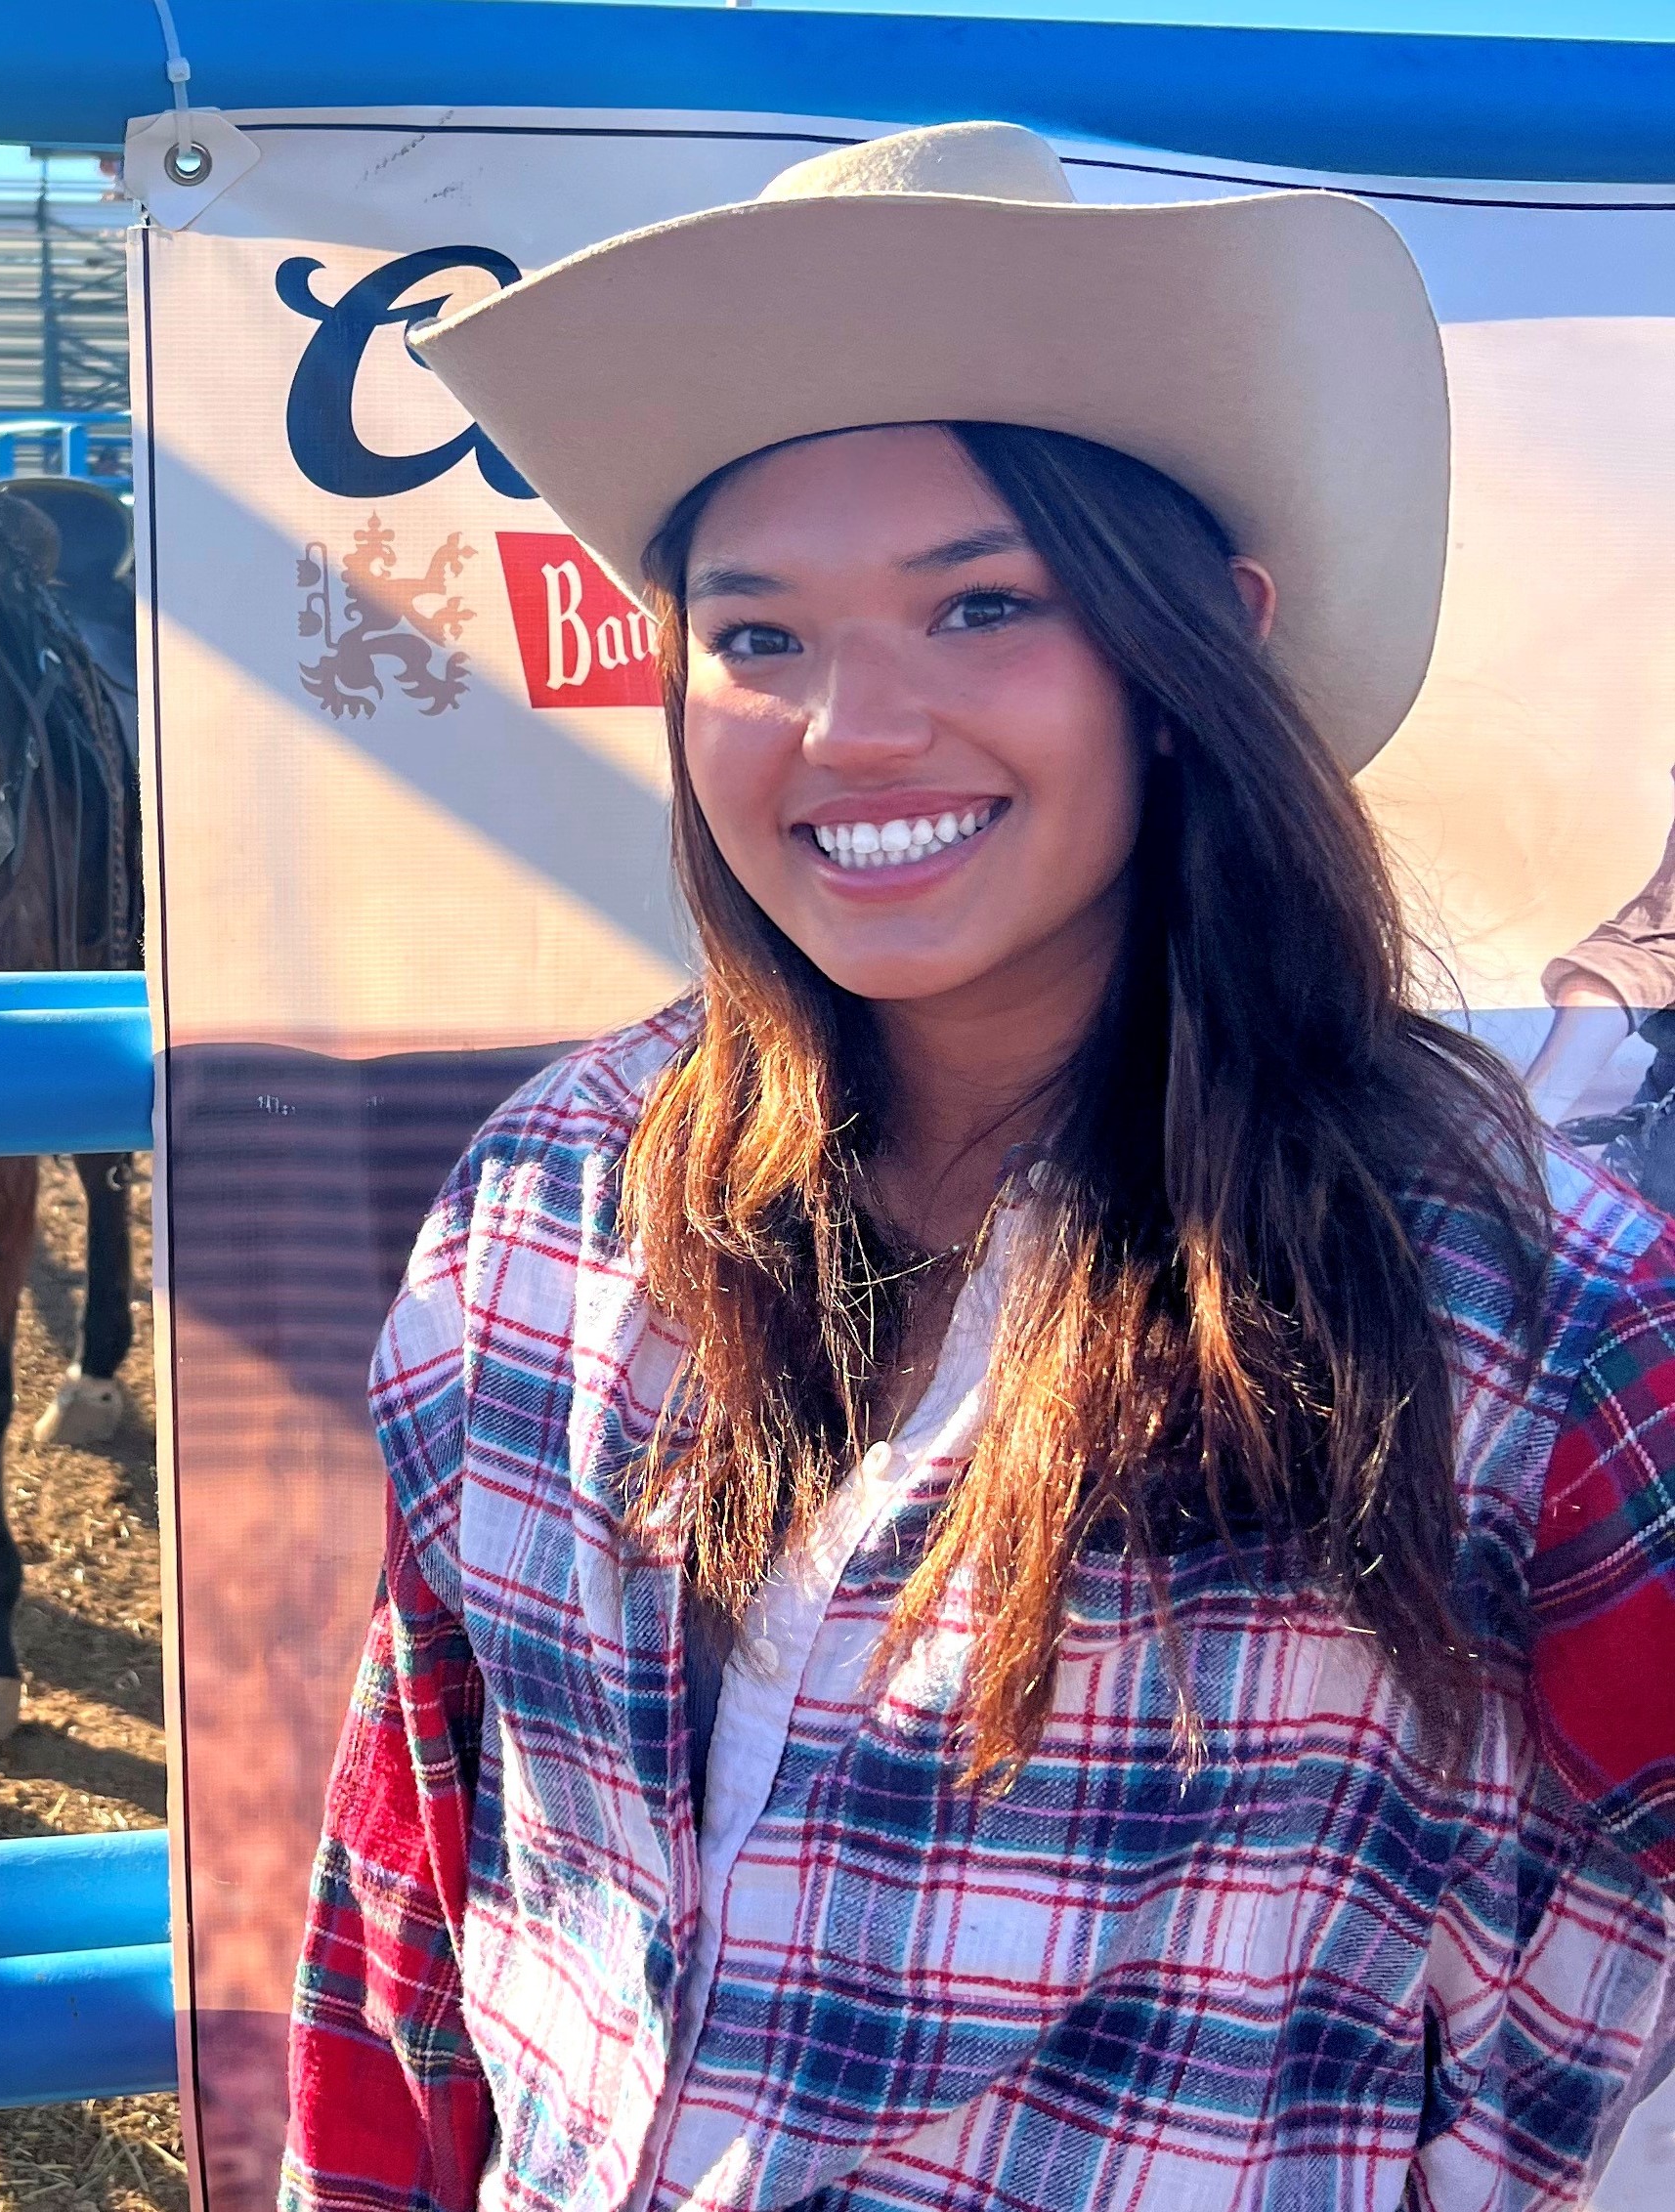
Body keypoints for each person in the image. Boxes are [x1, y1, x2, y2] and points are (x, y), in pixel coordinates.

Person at [281, 123, 1675, 2212]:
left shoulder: (1524, 1310)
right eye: (756, 638)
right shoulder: (551, 1205)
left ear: (1194, 652)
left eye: (982, 603)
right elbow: (411, 1886)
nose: (851, 725)